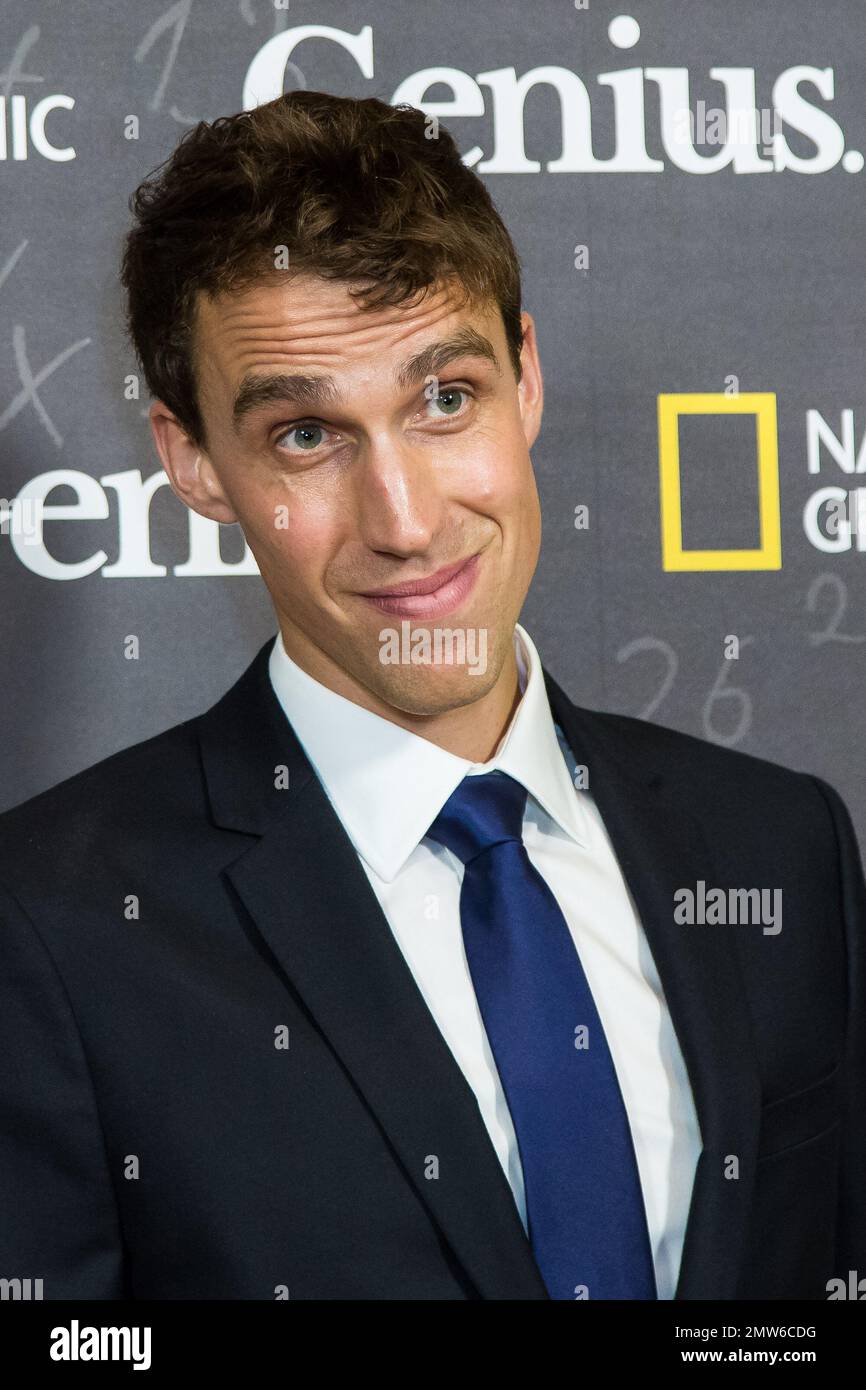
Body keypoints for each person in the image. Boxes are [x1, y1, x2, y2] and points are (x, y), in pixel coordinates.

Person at [0, 90, 863, 1301]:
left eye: (443, 399)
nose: (405, 523)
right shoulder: (49, 927)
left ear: (525, 379)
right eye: (306, 434)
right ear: (192, 459)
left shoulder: (780, 845)